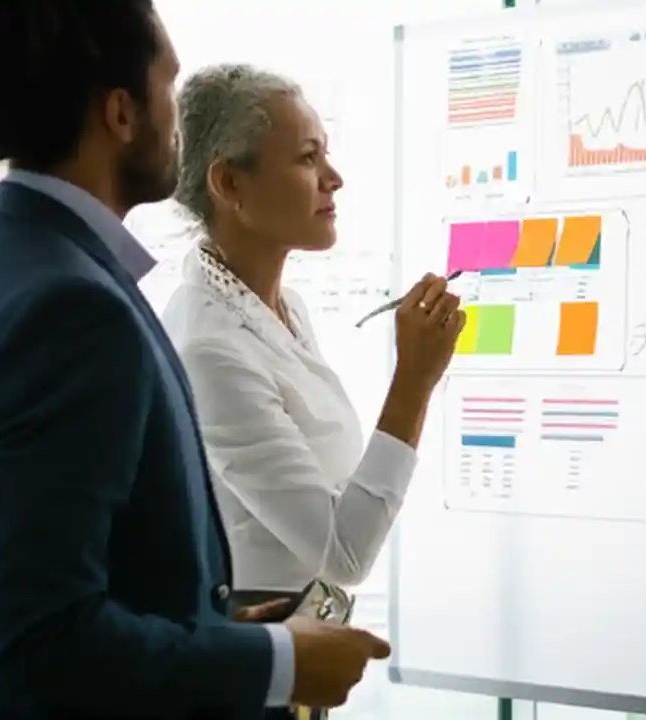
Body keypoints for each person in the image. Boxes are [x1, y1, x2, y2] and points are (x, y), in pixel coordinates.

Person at [0, 2, 388, 717]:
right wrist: (280, 663)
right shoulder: (70, 310)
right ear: (121, 113)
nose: (181, 119)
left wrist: (210, 630)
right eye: (169, 87)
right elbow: (43, 641)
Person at [161, 65, 462, 605]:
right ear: (230, 183)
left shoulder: (283, 309)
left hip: (298, 652)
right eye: (307, 157)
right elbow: (344, 554)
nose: (334, 177)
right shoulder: (210, 350)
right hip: (253, 665)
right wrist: (414, 380)